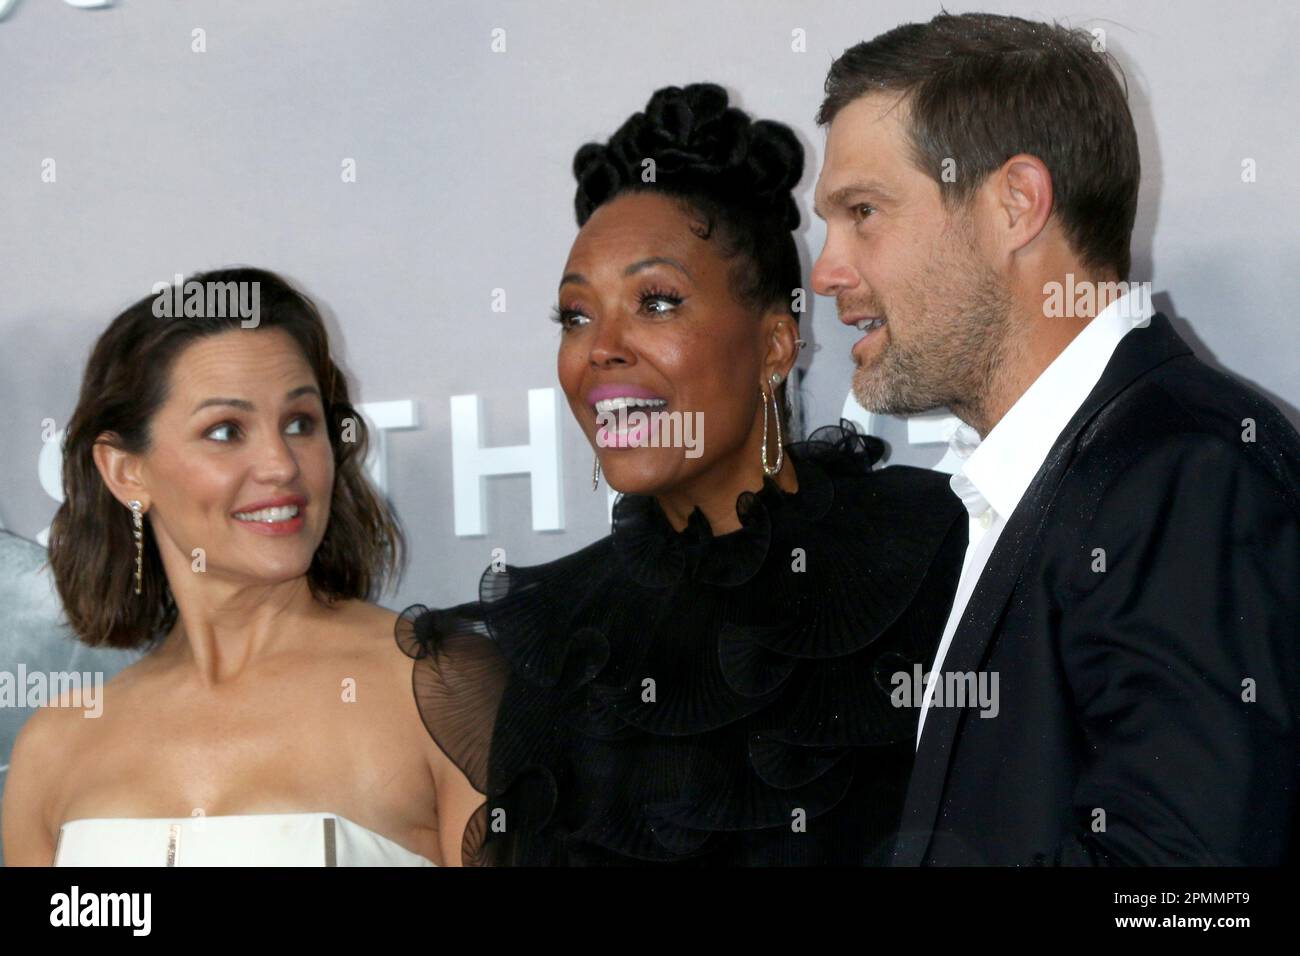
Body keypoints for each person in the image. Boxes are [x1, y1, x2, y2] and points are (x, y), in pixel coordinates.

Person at [396, 83, 968, 866]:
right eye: (576, 315)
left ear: (775, 346)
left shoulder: (938, 555)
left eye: (657, 302)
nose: (602, 347)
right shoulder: (561, 649)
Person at [810, 12, 1300, 865]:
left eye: (863, 212)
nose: (826, 271)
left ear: (1016, 204)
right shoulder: (1046, 482)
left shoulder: (1188, 477)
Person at [1, 268, 483, 866]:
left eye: (300, 423)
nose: (281, 464)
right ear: (127, 472)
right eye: (226, 431)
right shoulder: (55, 747)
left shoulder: (438, 689)